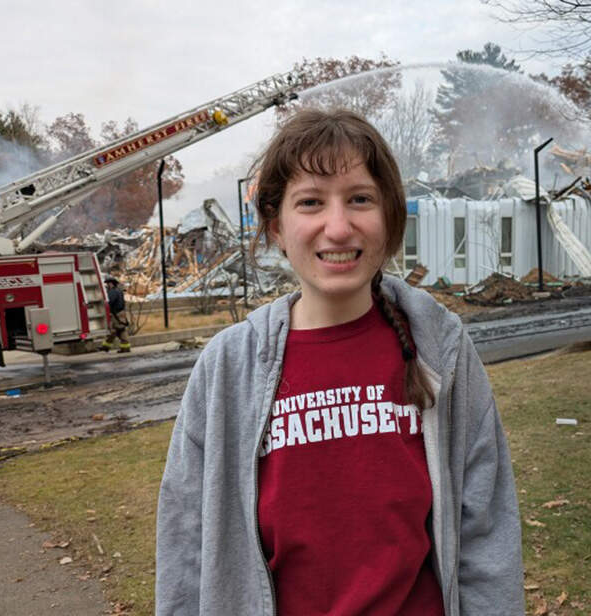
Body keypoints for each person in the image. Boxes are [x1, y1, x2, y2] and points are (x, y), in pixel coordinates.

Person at [155, 109, 524, 616]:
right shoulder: (227, 369)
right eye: (310, 202)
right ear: (276, 227)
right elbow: (185, 548)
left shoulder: (443, 348)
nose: (338, 226)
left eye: (360, 199)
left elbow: (485, 531)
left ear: (390, 218)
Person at [100, 276, 131, 353]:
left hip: (115, 314)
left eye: (108, 284)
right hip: (121, 313)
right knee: (120, 329)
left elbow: (109, 302)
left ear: (111, 284)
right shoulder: (119, 291)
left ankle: (106, 347)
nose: (107, 286)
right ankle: (124, 347)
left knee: (114, 330)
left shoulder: (113, 292)